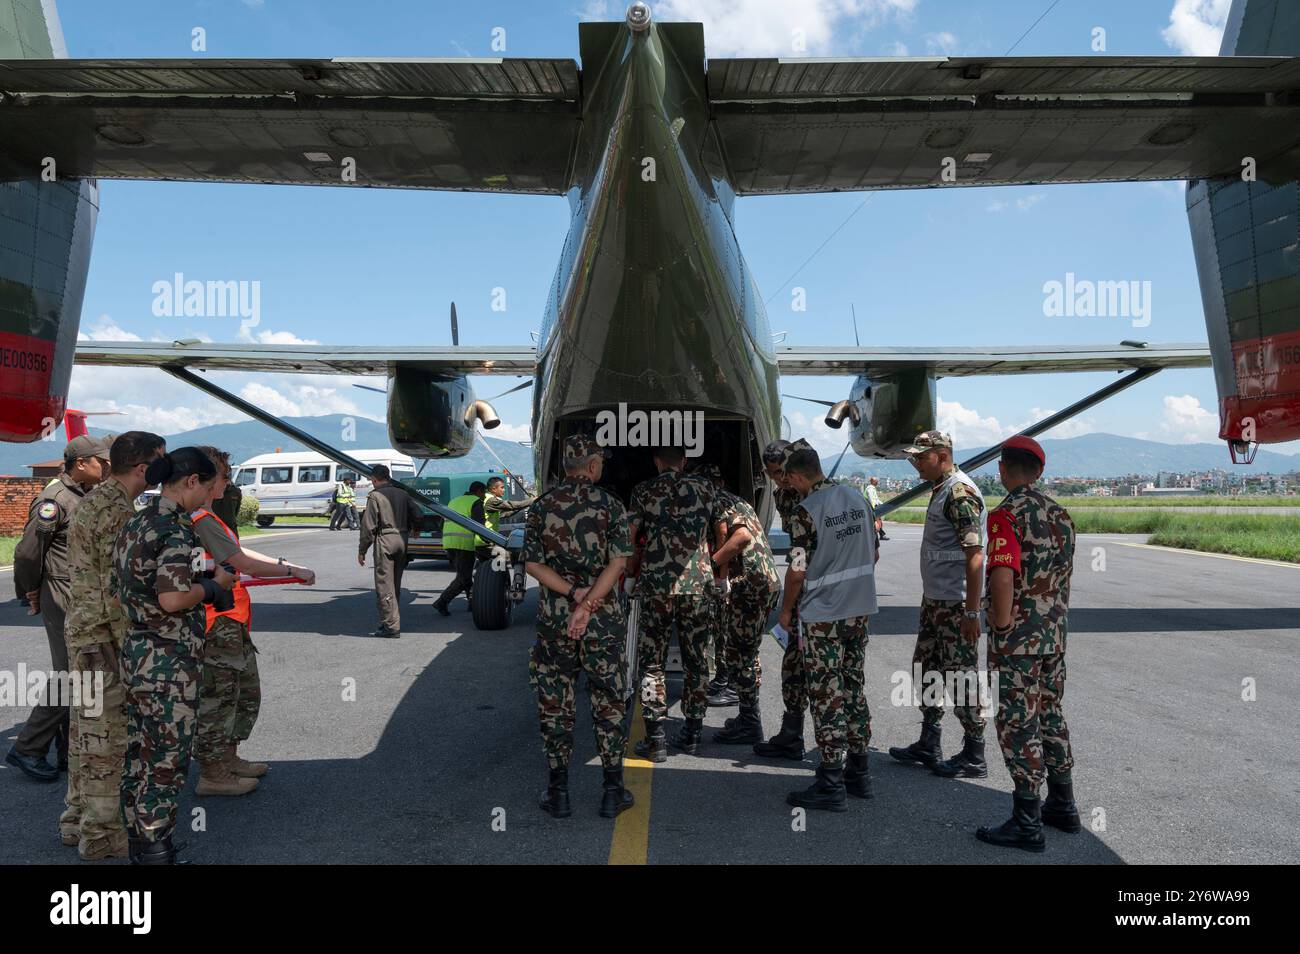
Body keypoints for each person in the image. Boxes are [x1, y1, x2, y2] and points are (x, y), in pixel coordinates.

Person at [116, 447, 235, 864]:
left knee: (140, 752)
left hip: (137, 655)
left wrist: (197, 581)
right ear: (190, 482)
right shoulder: (174, 528)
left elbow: (147, 583)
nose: (209, 495)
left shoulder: (138, 519)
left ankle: (138, 839)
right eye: (207, 485)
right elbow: (171, 598)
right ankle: (155, 848)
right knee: (167, 758)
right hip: (168, 662)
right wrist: (212, 588)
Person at [60, 431, 165, 861]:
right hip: (103, 638)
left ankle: (76, 819)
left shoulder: (101, 500)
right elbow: (113, 588)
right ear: (143, 468)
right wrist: (132, 650)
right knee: (106, 738)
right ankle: (101, 835)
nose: (165, 468)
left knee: (85, 733)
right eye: (160, 460)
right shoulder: (117, 511)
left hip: (86, 635)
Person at [191, 446, 316, 797]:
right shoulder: (201, 519)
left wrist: (283, 563)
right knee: (218, 699)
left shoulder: (210, 518)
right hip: (216, 623)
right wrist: (290, 570)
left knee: (241, 695)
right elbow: (243, 563)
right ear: (205, 478)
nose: (228, 482)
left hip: (231, 620)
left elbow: (239, 554)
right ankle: (213, 772)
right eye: (224, 475)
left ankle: (228, 758)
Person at [522, 434, 634, 819]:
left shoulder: (541, 507)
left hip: (556, 620)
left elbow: (532, 565)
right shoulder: (611, 505)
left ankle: (559, 793)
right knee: (609, 700)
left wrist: (572, 595)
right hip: (602, 620)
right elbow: (618, 564)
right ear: (590, 466)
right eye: (599, 461)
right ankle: (612, 791)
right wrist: (588, 604)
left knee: (555, 702)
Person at [977, 435, 1079, 852]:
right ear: (1039, 472)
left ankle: (1026, 821)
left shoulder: (1005, 515)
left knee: (1018, 723)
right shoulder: (1062, 515)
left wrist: (1000, 625)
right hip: (1053, 637)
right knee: (1051, 714)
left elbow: (1003, 575)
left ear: (1003, 470)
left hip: (1017, 640)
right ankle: (1064, 804)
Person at [6, 435, 111, 783]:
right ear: (81, 463)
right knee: (70, 673)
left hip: (79, 592)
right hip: (61, 591)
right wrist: (30, 590)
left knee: (79, 670)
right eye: (101, 461)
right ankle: (28, 748)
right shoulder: (55, 500)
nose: (107, 466)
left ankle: (67, 751)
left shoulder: (85, 495)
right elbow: (27, 553)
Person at [779, 444, 879, 810]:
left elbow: (797, 569)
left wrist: (786, 611)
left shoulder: (806, 511)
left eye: (788, 478)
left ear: (799, 476)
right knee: (853, 687)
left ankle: (831, 781)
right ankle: (860, 772)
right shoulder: (857, 499)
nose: (787, 485)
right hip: (859, 610)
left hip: (823, 615)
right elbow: (874, 552)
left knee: (826, 694)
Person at [888, 430, 989, 778]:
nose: (914, 462)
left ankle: (975, 752)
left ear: (942, 455)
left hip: (955, 604)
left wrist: (972, 611)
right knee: (925, 668)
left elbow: (975, 556)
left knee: (961, 677)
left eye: (921, 456)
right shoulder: (942, 488)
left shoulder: (959, 493)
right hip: (936, 600)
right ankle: (929, 741)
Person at [628, 446, 723, 760]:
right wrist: (717, 570)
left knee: (651, 662)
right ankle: (693, 732)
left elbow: (631, 536)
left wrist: (630, 574)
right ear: (684, 461)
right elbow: (722, 529)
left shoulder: (644, 490)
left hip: (657, 585)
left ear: (657, 461)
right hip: (698, 584)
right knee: (697, 660)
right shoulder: (705, 488)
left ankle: (655, 739)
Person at [701, 467, 781, 746]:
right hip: (764, 583)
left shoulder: (718, 501)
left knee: (739, 653)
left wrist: (712, 567)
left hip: (749, 584)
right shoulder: (738, 500)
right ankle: (748, 717)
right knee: (746, 650)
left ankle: (750, 724)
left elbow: (740, 538)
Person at [753, 438, 814, 760]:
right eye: (776, 474)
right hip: (804, 587)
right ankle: (792, 734)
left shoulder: (820, 494)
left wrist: (787, 606)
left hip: (818, 594)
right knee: (792, 667)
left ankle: (840, 754)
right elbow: (798, 550)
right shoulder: (783, 496)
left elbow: (800, 559)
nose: (782, 479)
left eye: (786, 472)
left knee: (824, 677)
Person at [358, 464, 424, 637]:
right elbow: (418, 514)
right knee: (395, 584)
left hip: (385, 540)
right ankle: (391, 619)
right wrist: (416, 528)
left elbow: (368, 526)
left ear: (374, 479)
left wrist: (362, 549)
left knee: (384, 585)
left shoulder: (375, 496)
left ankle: (391, 627)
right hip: (402, 540)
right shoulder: (403, 493)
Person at [432, 481, 488, 617]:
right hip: (464, 543)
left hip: (449, 543)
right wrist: (487, 542)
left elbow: (441, 524)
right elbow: (479, 526)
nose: (484, 497)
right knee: (463, 577)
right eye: (484, 493)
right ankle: (442, 601)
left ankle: (473, 602)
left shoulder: (453, 501)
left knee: (465, 575)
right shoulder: (476, 502)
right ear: (479, 491)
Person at [864, 476, 888, 540]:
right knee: (878, 521)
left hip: (872, 507)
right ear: (872, 482)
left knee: (878, 521)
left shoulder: (873, 488)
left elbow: (876, 499)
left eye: (877, 481)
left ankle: (881, 534)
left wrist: (882, 504)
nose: (877, 482)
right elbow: (872, 499)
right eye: (876, 481)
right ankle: (880, 535)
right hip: (871, 507)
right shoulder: (870, 489)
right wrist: (874, 508)